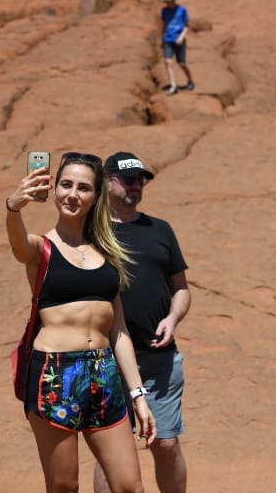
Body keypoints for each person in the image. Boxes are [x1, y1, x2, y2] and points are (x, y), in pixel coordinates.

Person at [5, 152, 157, 493]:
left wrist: (138, 394)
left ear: (96, 196)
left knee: (130, 486)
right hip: (55, 375)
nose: (72, 194)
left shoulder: (108, 253)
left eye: (83, 187)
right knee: (64, 486)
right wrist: (13, 208)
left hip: (104, 375)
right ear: (55, 189)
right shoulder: (40, 248)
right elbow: (18, 246)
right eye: (66, 185)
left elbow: (118, 330)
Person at [94, 151, 191, 493]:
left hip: (158, 358)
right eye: (128, 178)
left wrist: (173, 317)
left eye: (141, 180)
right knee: (110, 455)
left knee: (165, 444)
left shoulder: (160, 230)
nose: (137, 185)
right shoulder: (93, 232)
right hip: (106, 361)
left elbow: (181, 288)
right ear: (105, 181)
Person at [160, 0, 195, 95]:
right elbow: (164, 24)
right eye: (166, 0)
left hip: (179, 39)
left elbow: (187, 26)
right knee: (168, 61)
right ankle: (173, 85)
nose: (168, 2)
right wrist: (162, 38)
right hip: (167, 39)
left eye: (169, 0)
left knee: (182, 63)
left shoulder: (182, 10)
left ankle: (190, 80)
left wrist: (181, 37)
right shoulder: (164, 11)